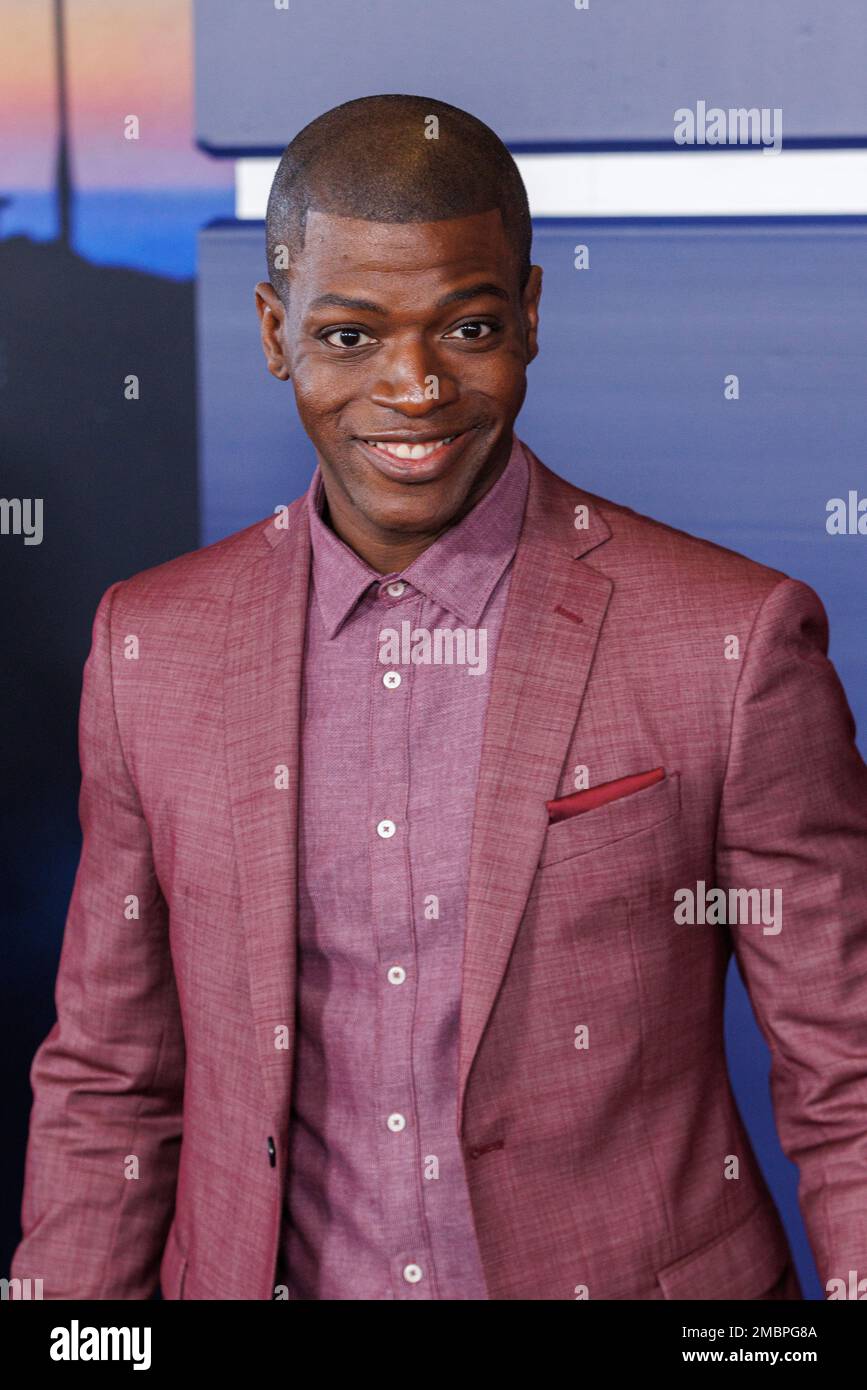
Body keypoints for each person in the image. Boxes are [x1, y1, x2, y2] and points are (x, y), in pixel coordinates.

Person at [11, 94, 867, 1300]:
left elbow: (850, 1074)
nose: (414, 388)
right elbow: (110, 1078)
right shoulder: (150, 646)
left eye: (465, 327)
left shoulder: (733, 641)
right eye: (352, 335)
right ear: (275, 329)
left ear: (527, 314)